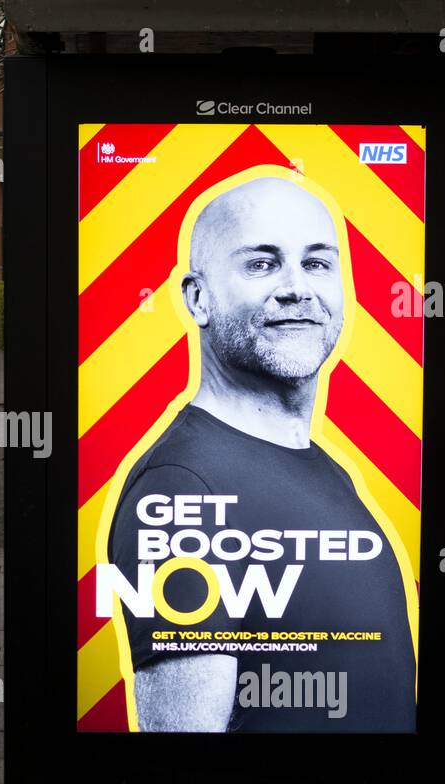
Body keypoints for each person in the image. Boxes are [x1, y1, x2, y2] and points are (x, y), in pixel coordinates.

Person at [107, 176, 416, 734]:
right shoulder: (182, 490)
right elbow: (187, 768)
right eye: (261, 264)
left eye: (318, 263)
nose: (298, 288)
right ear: (198, 298)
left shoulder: (323, 465)